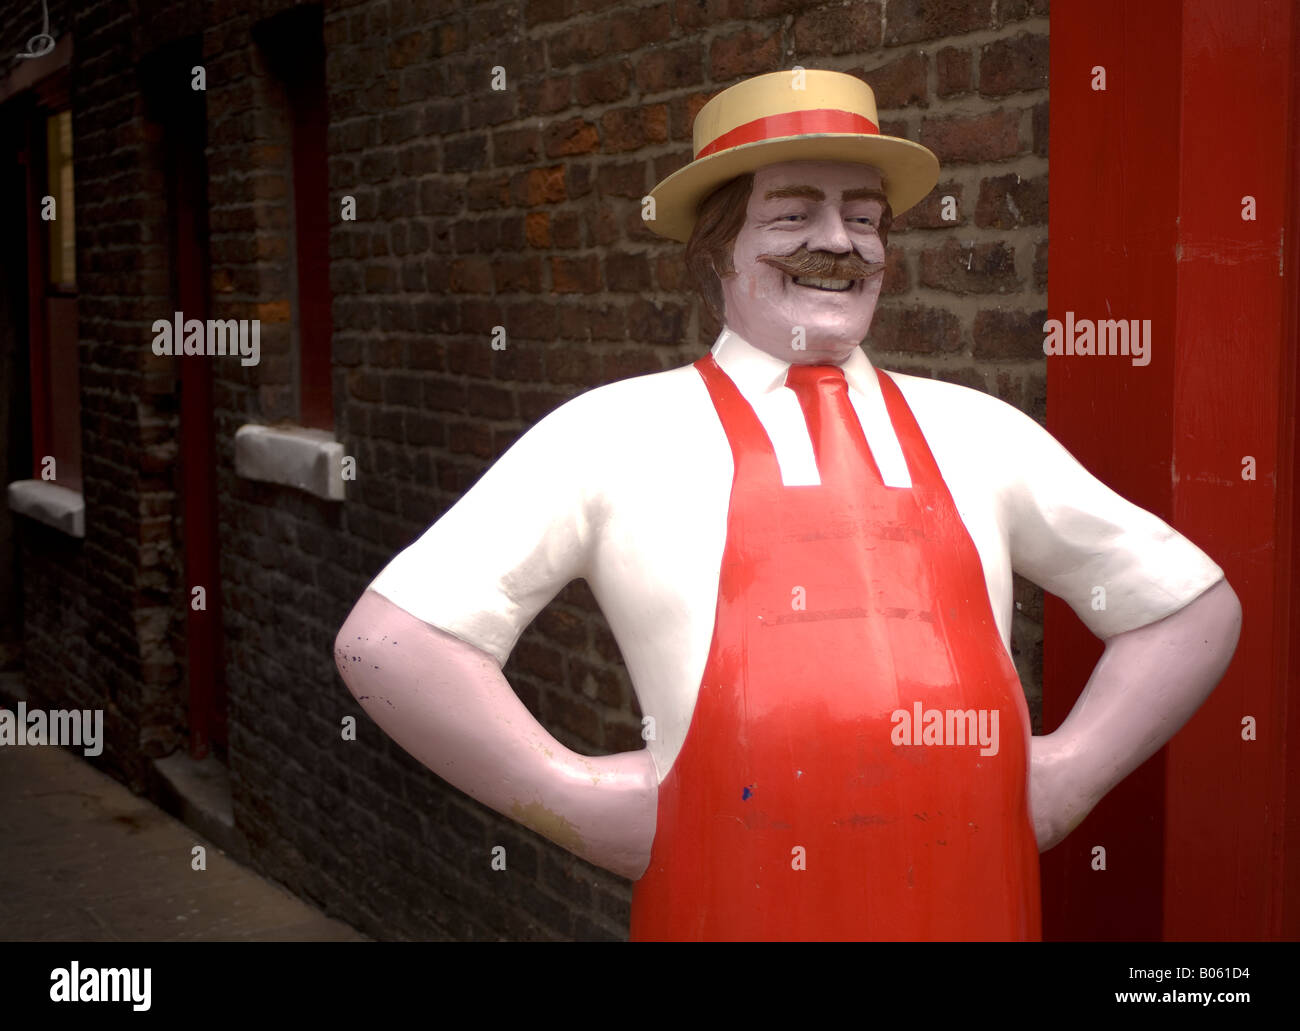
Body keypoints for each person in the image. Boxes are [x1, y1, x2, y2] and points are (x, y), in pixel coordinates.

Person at [334, 70, 1241, 940]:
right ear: (716, 248)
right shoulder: (612, 434)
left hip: (977, 900)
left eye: (864, 217)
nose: (838, 243)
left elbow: (1187, 606)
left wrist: (1067, 779)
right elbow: (394, 643)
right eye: (794, 213)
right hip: (728, 898)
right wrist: (581, 803)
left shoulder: (980, 432)